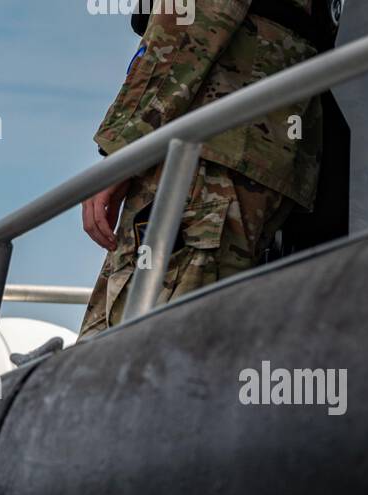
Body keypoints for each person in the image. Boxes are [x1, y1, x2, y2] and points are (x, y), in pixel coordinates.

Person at [78, 0, 338, 338]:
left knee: (149, 341)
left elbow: (192, 18)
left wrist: (122, 151)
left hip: (208, 154)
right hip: (239, 149)